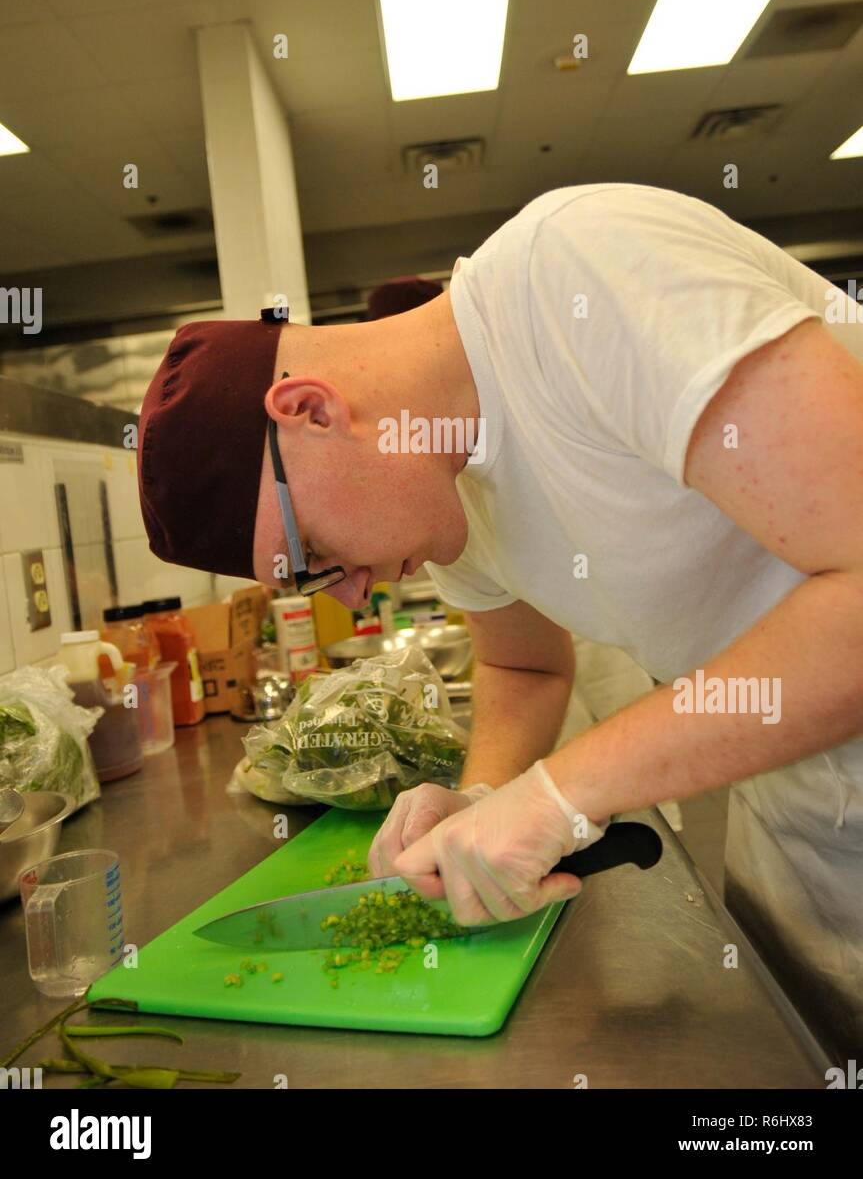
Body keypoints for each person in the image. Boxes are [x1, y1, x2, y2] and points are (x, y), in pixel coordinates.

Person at [137, 182, 863, 1059]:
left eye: (316, 554)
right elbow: (526, 668)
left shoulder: (581, 271)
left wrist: (560, 795)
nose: (349, 594)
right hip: (803, 829)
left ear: (310, 411)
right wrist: (481, 797)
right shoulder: (443, 485)